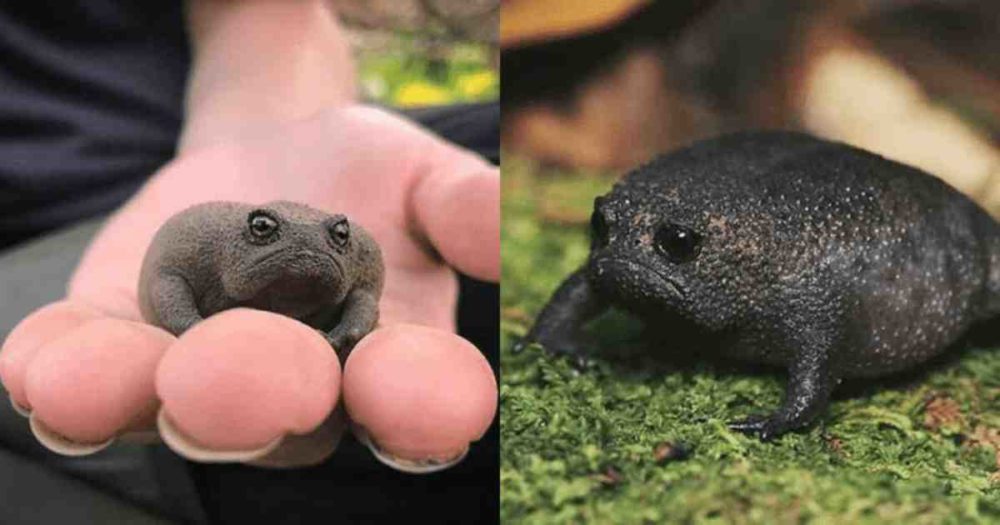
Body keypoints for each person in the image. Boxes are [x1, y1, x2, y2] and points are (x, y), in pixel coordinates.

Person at [0, 1, 499, 523]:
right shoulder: (199, 242)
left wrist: (271, 128)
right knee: (117, 381)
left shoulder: (355, 252)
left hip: (211, 143)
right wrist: (187, 327)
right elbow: (169, 281)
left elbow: (260, 12)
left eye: (339, 237)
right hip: (44, 245)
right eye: (264, 234)